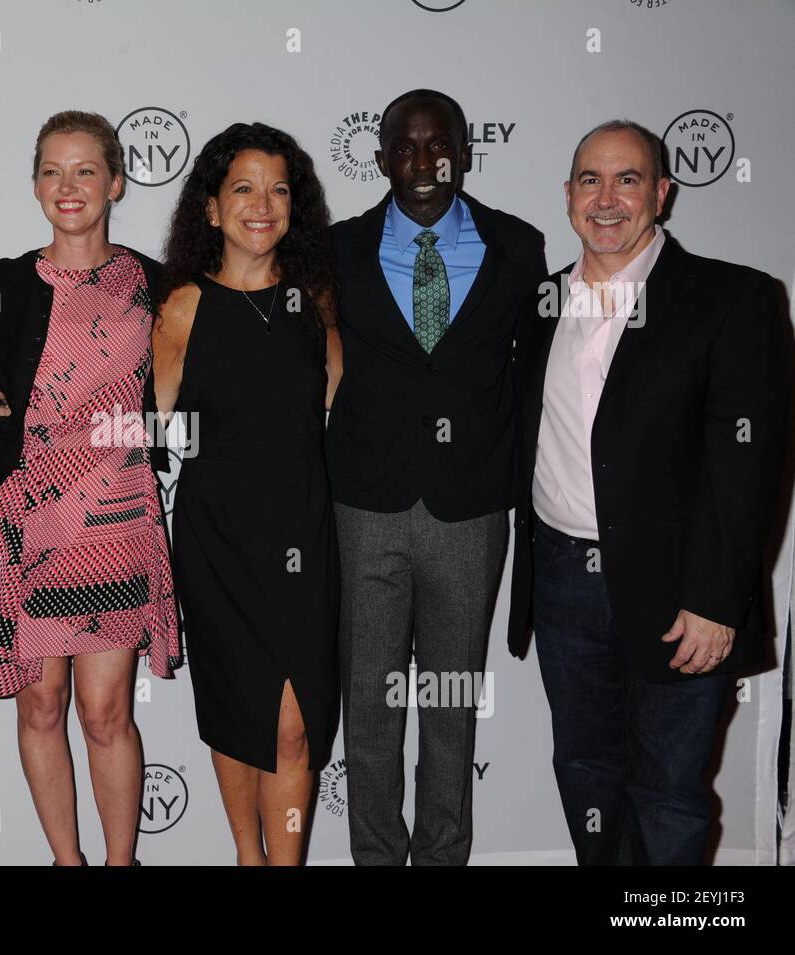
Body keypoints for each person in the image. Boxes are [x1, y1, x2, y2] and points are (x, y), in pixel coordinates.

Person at [509, 119, 790, 865]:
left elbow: (748, 466)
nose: (607, 199)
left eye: (628, 179)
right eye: (590, 181)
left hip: (680, 593)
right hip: (564, 581)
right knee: (586, 775)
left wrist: (716, 599)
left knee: (668, 790)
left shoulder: (733, 298)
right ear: (567, 195)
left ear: (661, 194)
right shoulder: (538, 304)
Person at [329, 89, 548, 865]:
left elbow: (539, 376)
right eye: (406, 147)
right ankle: (376, 856)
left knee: (451, 704)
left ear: (464, 149)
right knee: (371, 708)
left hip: (470, 507)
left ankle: (445, 855)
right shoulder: (337, 250)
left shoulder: (520, 248)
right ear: (382, 156)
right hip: (364, 504)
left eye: (439, 145)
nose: (424, 164)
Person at [0, 110, 179, 867]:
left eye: (86, 169)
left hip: (114, 520)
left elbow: (187, 390)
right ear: (34, 186)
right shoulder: (1, 283)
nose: (69, 186)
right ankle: (68, 861)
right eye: (52, 170)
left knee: (104, 711)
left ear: (117, 182)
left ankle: (122, 864)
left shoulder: (155, 284)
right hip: (27, 519)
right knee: (41, 701)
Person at [153, 122, 342, 866]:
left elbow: (334, 402)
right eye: (242, 188)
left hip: (304, 534)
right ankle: (247, 856)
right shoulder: (181, 308)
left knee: (295, 725)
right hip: (216, 538)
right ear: (210, 208)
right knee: (238, 711)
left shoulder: (314, 302)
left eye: (278, 189)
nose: (261, 204)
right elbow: (146, 425)